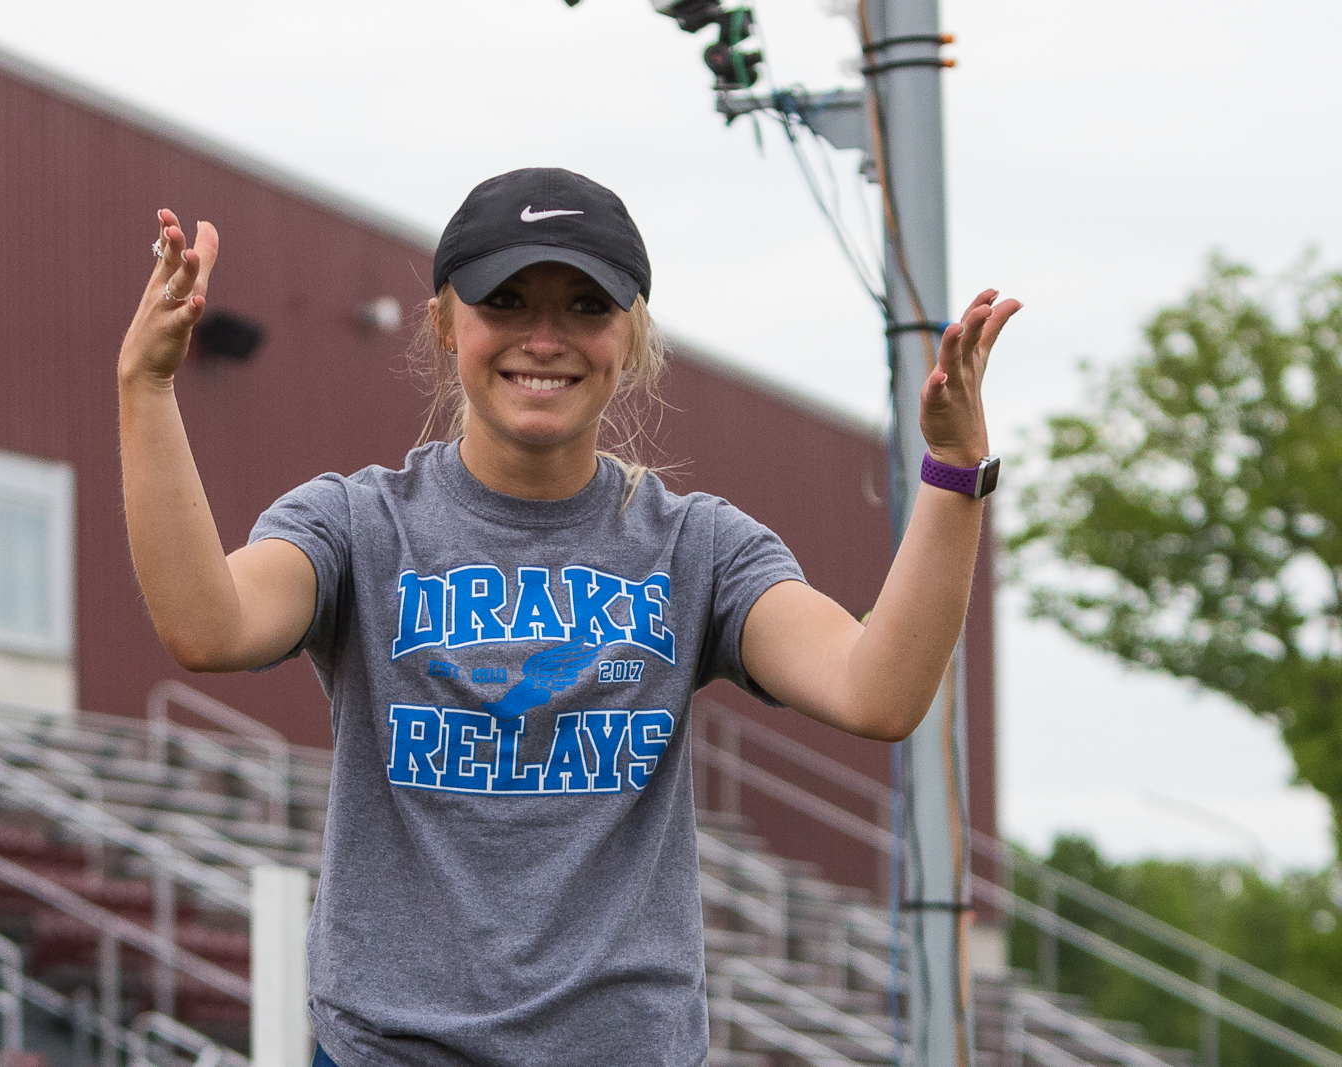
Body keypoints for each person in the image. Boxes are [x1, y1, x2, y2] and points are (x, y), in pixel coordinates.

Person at [118, 167, 1018, 1067]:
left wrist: (951, 472)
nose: (544, 339)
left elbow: (878, 691)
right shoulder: (360, 524)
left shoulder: (696, 548)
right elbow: (211, 627)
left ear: (631, 336)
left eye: (586, 306)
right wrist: (148, 391)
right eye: (505, 301)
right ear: (443, 322)